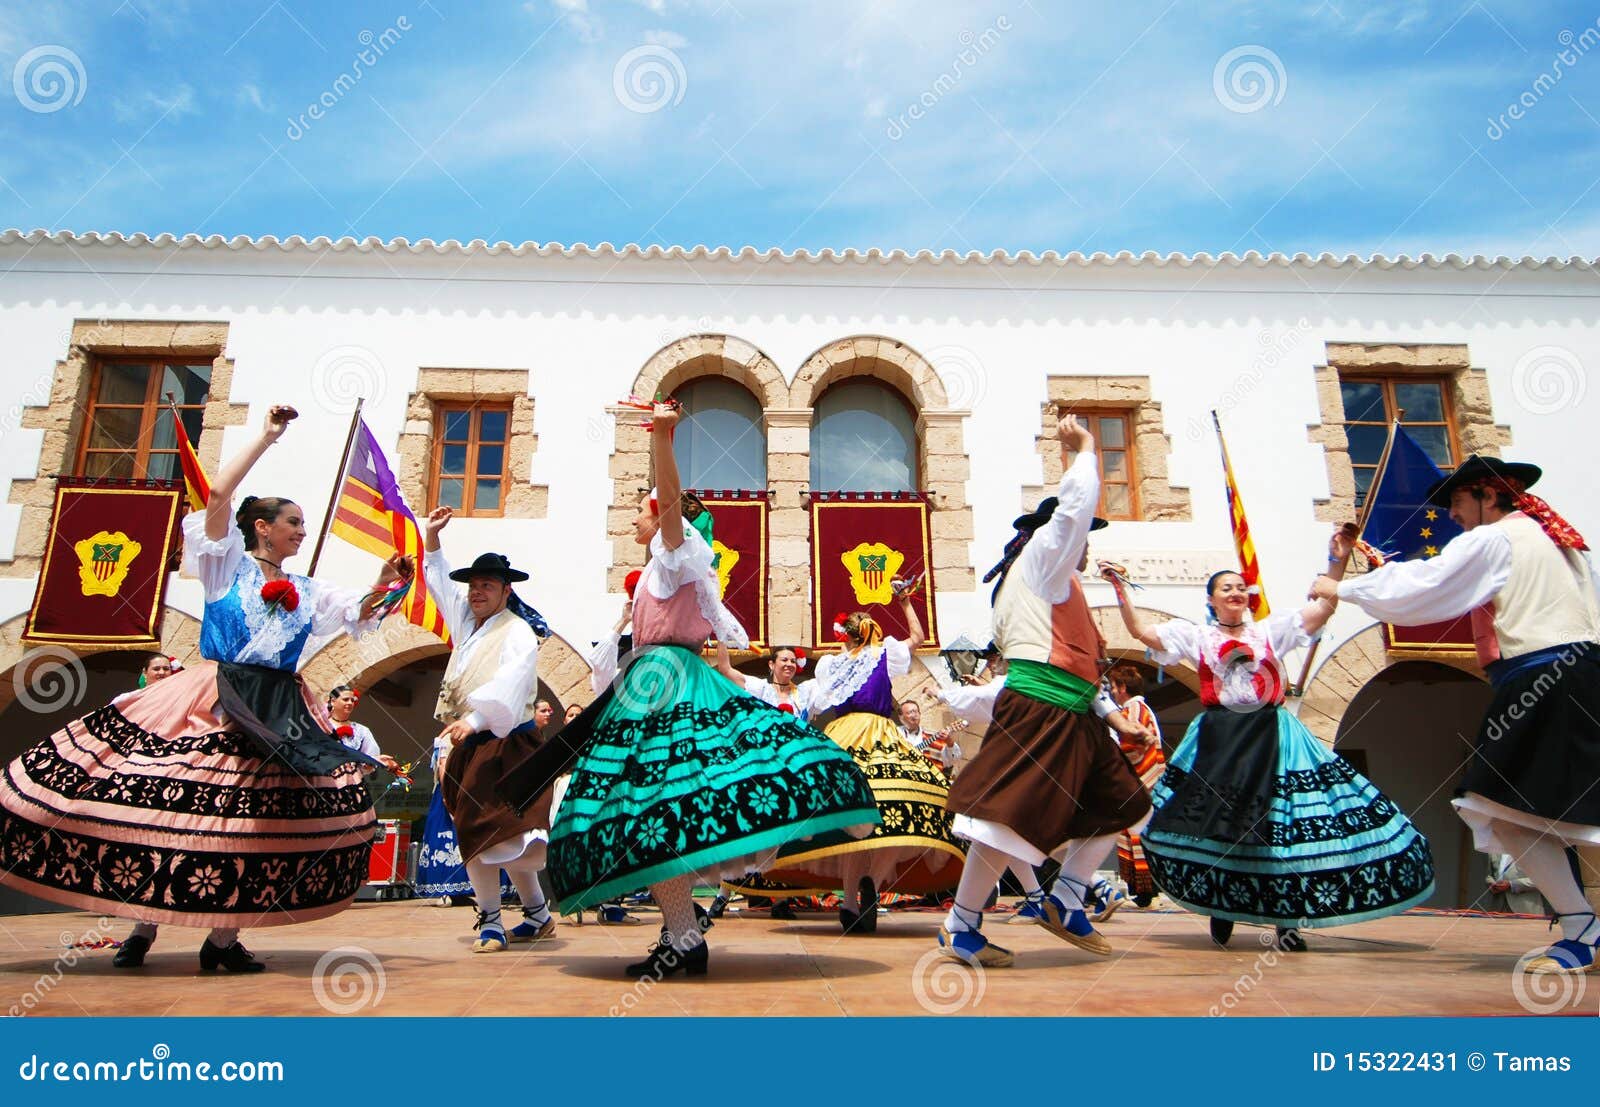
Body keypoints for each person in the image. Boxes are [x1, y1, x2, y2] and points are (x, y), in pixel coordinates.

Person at [0, 403, 406, 972]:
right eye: (293, 522)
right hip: (212, 696)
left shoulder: (310, 590)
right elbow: (217, 498)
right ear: (262, 527)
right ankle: (140, 928)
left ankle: (221, 941)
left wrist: (386, 584)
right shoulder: (224, 565)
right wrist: (265, 437)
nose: (301, 531)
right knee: (168, 808)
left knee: (246, 824)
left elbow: (364, 611)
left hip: (276, 703)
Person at [498, 401, 878, 978]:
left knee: (654, 805)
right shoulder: (656, 572)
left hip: (669, 684)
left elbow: (672, 500)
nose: (634, 519)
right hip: (649, 683)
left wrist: (664, 437)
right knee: (646, 813)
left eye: (641, 511)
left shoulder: (675, 557)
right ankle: (680, 933)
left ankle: (683, 934)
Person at [1314, 454, 1600, 975]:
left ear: (1489, 496)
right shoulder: (1559, 540)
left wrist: (1343, 587)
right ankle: (1582, 925)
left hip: (1543, 675)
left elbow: (1430, 584)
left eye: (1458, 502)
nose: (1452, 515)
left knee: (1495, 805)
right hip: (1581, 673)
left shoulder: (1499, 538)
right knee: (1552, 809)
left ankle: (1583, 929)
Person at [1113, 542, 1435, 951]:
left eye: (1241, 587)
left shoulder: (1268, 631)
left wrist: (1336, 564)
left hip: (1272, 734)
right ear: (1211, 599)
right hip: (1220, 738)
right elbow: (1142, 631)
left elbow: (1322, 609)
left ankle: (1287, 922)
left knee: (1280, 824)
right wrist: (1120, 591)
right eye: (1226, 588)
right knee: (1220, 823)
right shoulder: (1198, 636)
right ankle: (1222, 905)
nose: (1235, 593)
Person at [936, 414, 1154, 969]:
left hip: (1073, 712)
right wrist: (1083, 451)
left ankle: (1065, 896)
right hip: (1042, 710)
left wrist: (1110, 712)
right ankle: (963, 924)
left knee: (1124, 803)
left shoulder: (1057, 583)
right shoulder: (1043, 564)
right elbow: (1074, 509)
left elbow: (1075, 660)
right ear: (1049, 535)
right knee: (1004, 821)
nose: (1084, 544)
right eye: (1079, 537)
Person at [730, 590, 968, 935]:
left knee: (847, 815)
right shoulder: (881, 655)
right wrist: (903, 603)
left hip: (841, 736)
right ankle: (866, 885)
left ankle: (851, 900)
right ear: (870, 632)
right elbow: (917, 638)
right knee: (890, 808)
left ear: (846, 635)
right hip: (879, 734)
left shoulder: (833, 664)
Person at [424, 506, 559, 954]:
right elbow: (441, 587)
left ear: (505, 590)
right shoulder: (468, 625)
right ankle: (534, 916)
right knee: (494, 835)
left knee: (495, 833)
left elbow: (514, 681)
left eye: (486, 585)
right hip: (471, 743)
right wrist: (433, 540)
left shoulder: (517, 631)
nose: (476, 592)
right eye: (473, 585)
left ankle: (492, 922)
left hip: (506, 743)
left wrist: (475, 719)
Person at [1106, 664, 1163, 909]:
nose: (1112, 692)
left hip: (1142, 780)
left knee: (1137, 835)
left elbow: (1133, 746)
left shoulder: (1134, 709)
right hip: (1142, 781)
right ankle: (1143, 892)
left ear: (1123, 689)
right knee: (1135, 834)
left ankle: (1145, 892)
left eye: (1115, 687)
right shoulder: (1136, 708)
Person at [327, 684, 400, 774]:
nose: (350, 703)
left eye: (352, 700)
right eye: (345, 699)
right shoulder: (321, 726)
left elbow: (368, 762)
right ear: (333, 701)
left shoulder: (361, 731)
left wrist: (373, 761)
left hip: (352, 783)